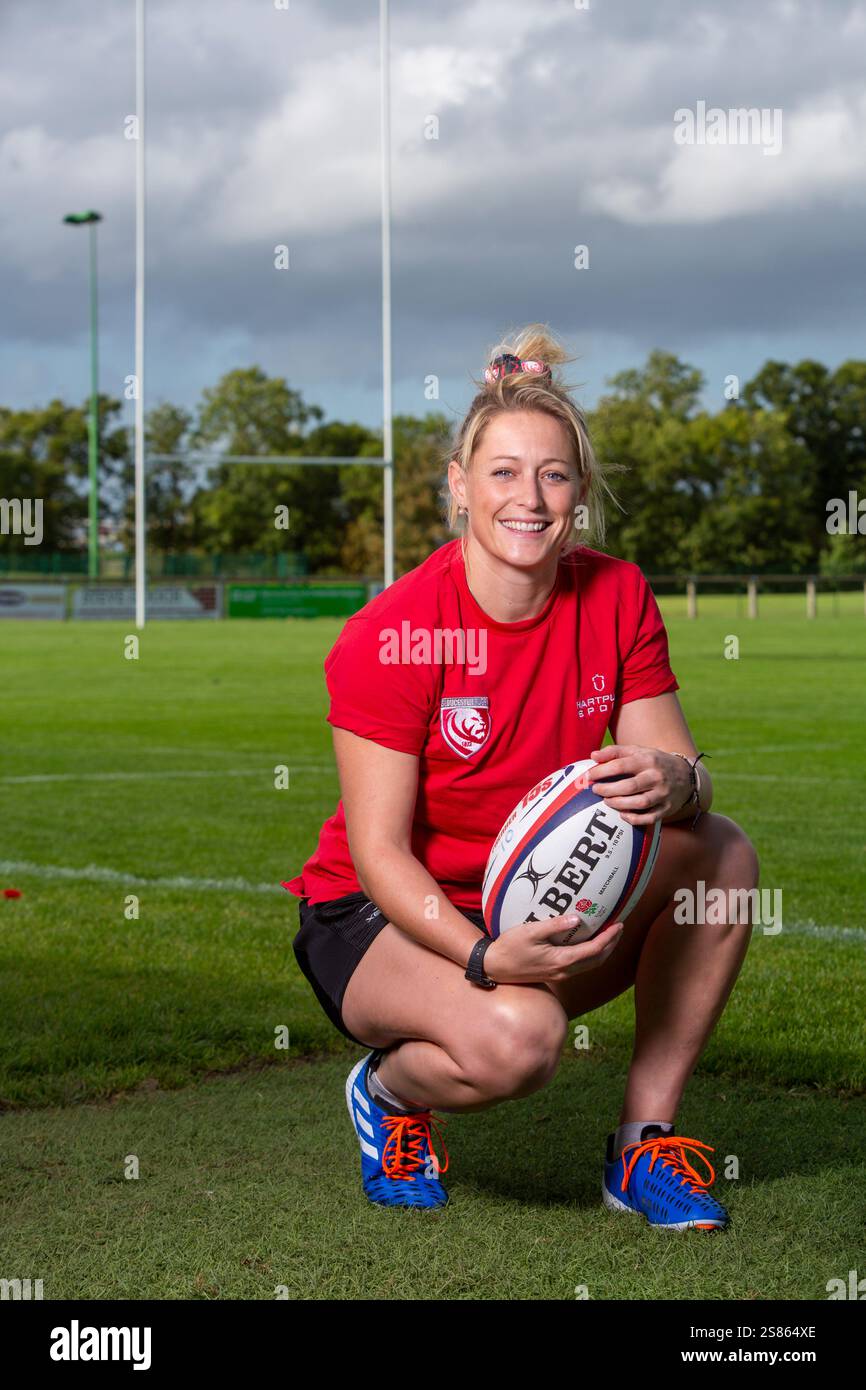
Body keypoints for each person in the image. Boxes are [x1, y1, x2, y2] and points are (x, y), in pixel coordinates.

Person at [283, 324, 759, 1231]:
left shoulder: (617, 594)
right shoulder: (393, 634)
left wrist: (674, 779)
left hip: (533, 901)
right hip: (384, 915)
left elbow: (691, 780)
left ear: (578, 492)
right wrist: (481, 958)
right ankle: (386, 1094)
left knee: (724, 859)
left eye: (553, 474)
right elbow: (379, 852)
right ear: (458, 487)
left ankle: (643, 1145)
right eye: (502, 473)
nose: (529, 499)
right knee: (521, 1042)